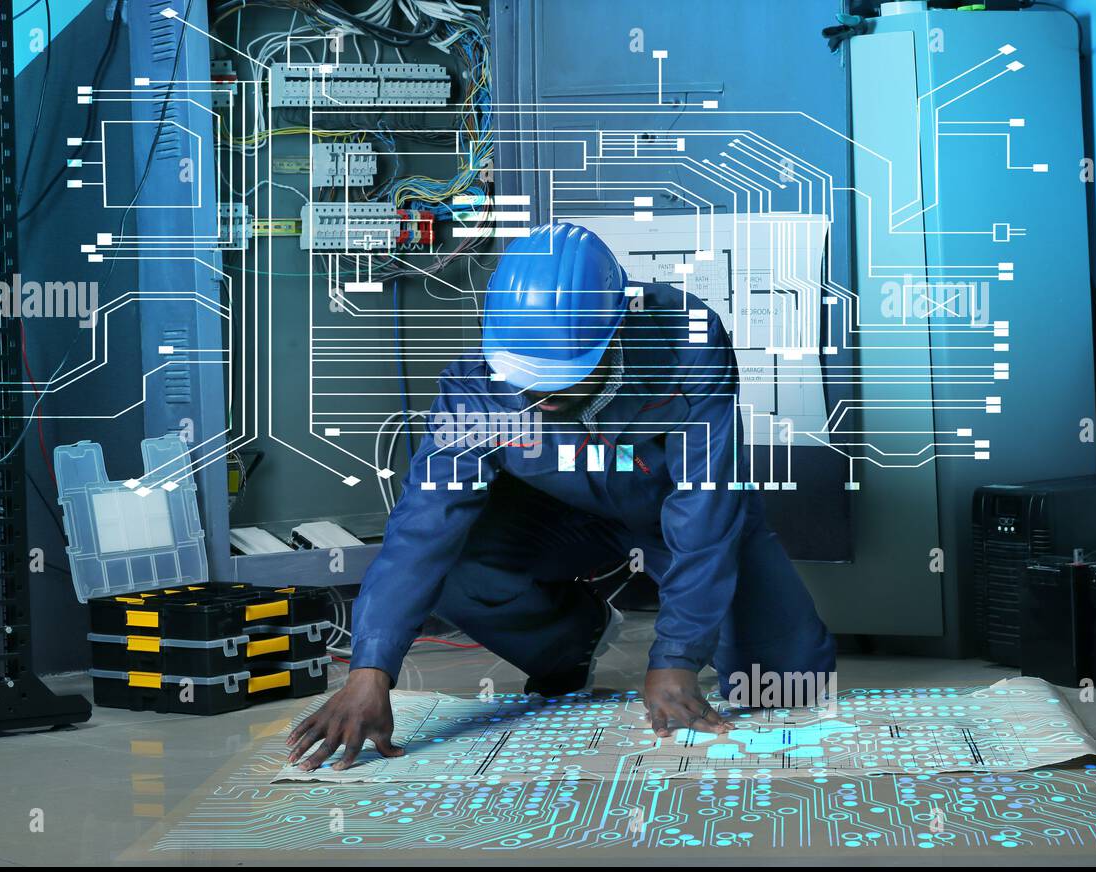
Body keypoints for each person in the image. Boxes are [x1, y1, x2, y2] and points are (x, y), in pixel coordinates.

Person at [288, 222, 834, 771]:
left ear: (613, 330)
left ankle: (739, 651)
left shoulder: (685, 340)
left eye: (563, 375)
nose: (543, 394)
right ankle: (571, 636)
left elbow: (706, 503)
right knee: (453, 566)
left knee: (787, 684)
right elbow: (420, 529)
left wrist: (676, 657)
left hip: (672, 514)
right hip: (558, 522)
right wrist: (369, 671)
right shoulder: (475, 390)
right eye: (528, 378)